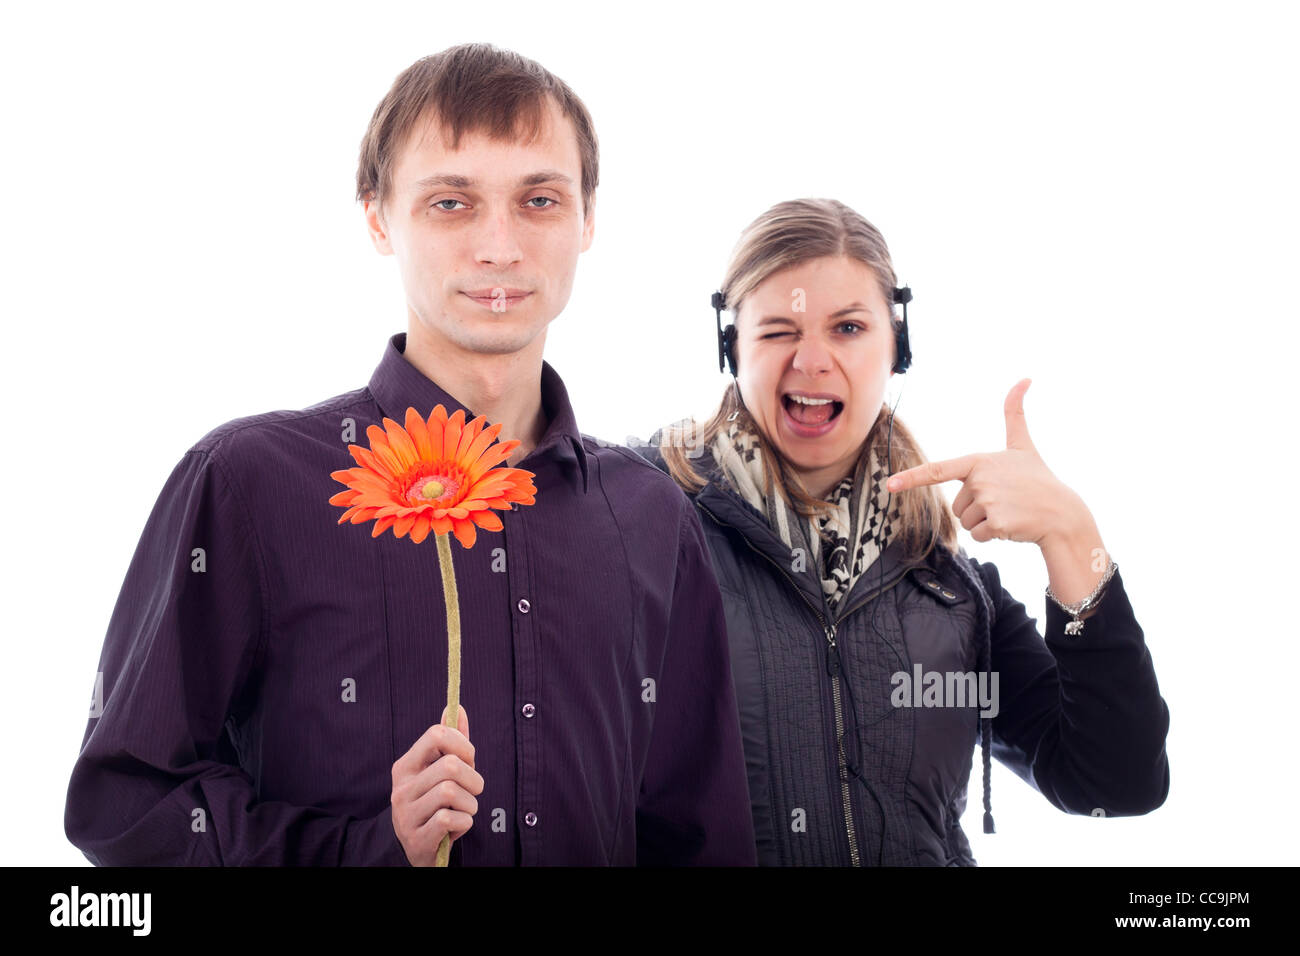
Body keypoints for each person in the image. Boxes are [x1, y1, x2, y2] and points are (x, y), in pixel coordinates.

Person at [63, 43, 756, 867]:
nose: (499, 248)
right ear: (376, 216)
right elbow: (126, 803)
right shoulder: (246, 484)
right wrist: (368, 852)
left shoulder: (651, 517)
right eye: (452, 203)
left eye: (538, 199)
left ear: (588, 219)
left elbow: (701, 838)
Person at [635, 198, 1170, 865]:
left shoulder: (954, 593)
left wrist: (1069, 534)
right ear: (731, 347)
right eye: (777, 331)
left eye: (849, 328)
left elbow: (1116, 782)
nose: (813, 360)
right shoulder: (641, 528)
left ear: (897, 349)